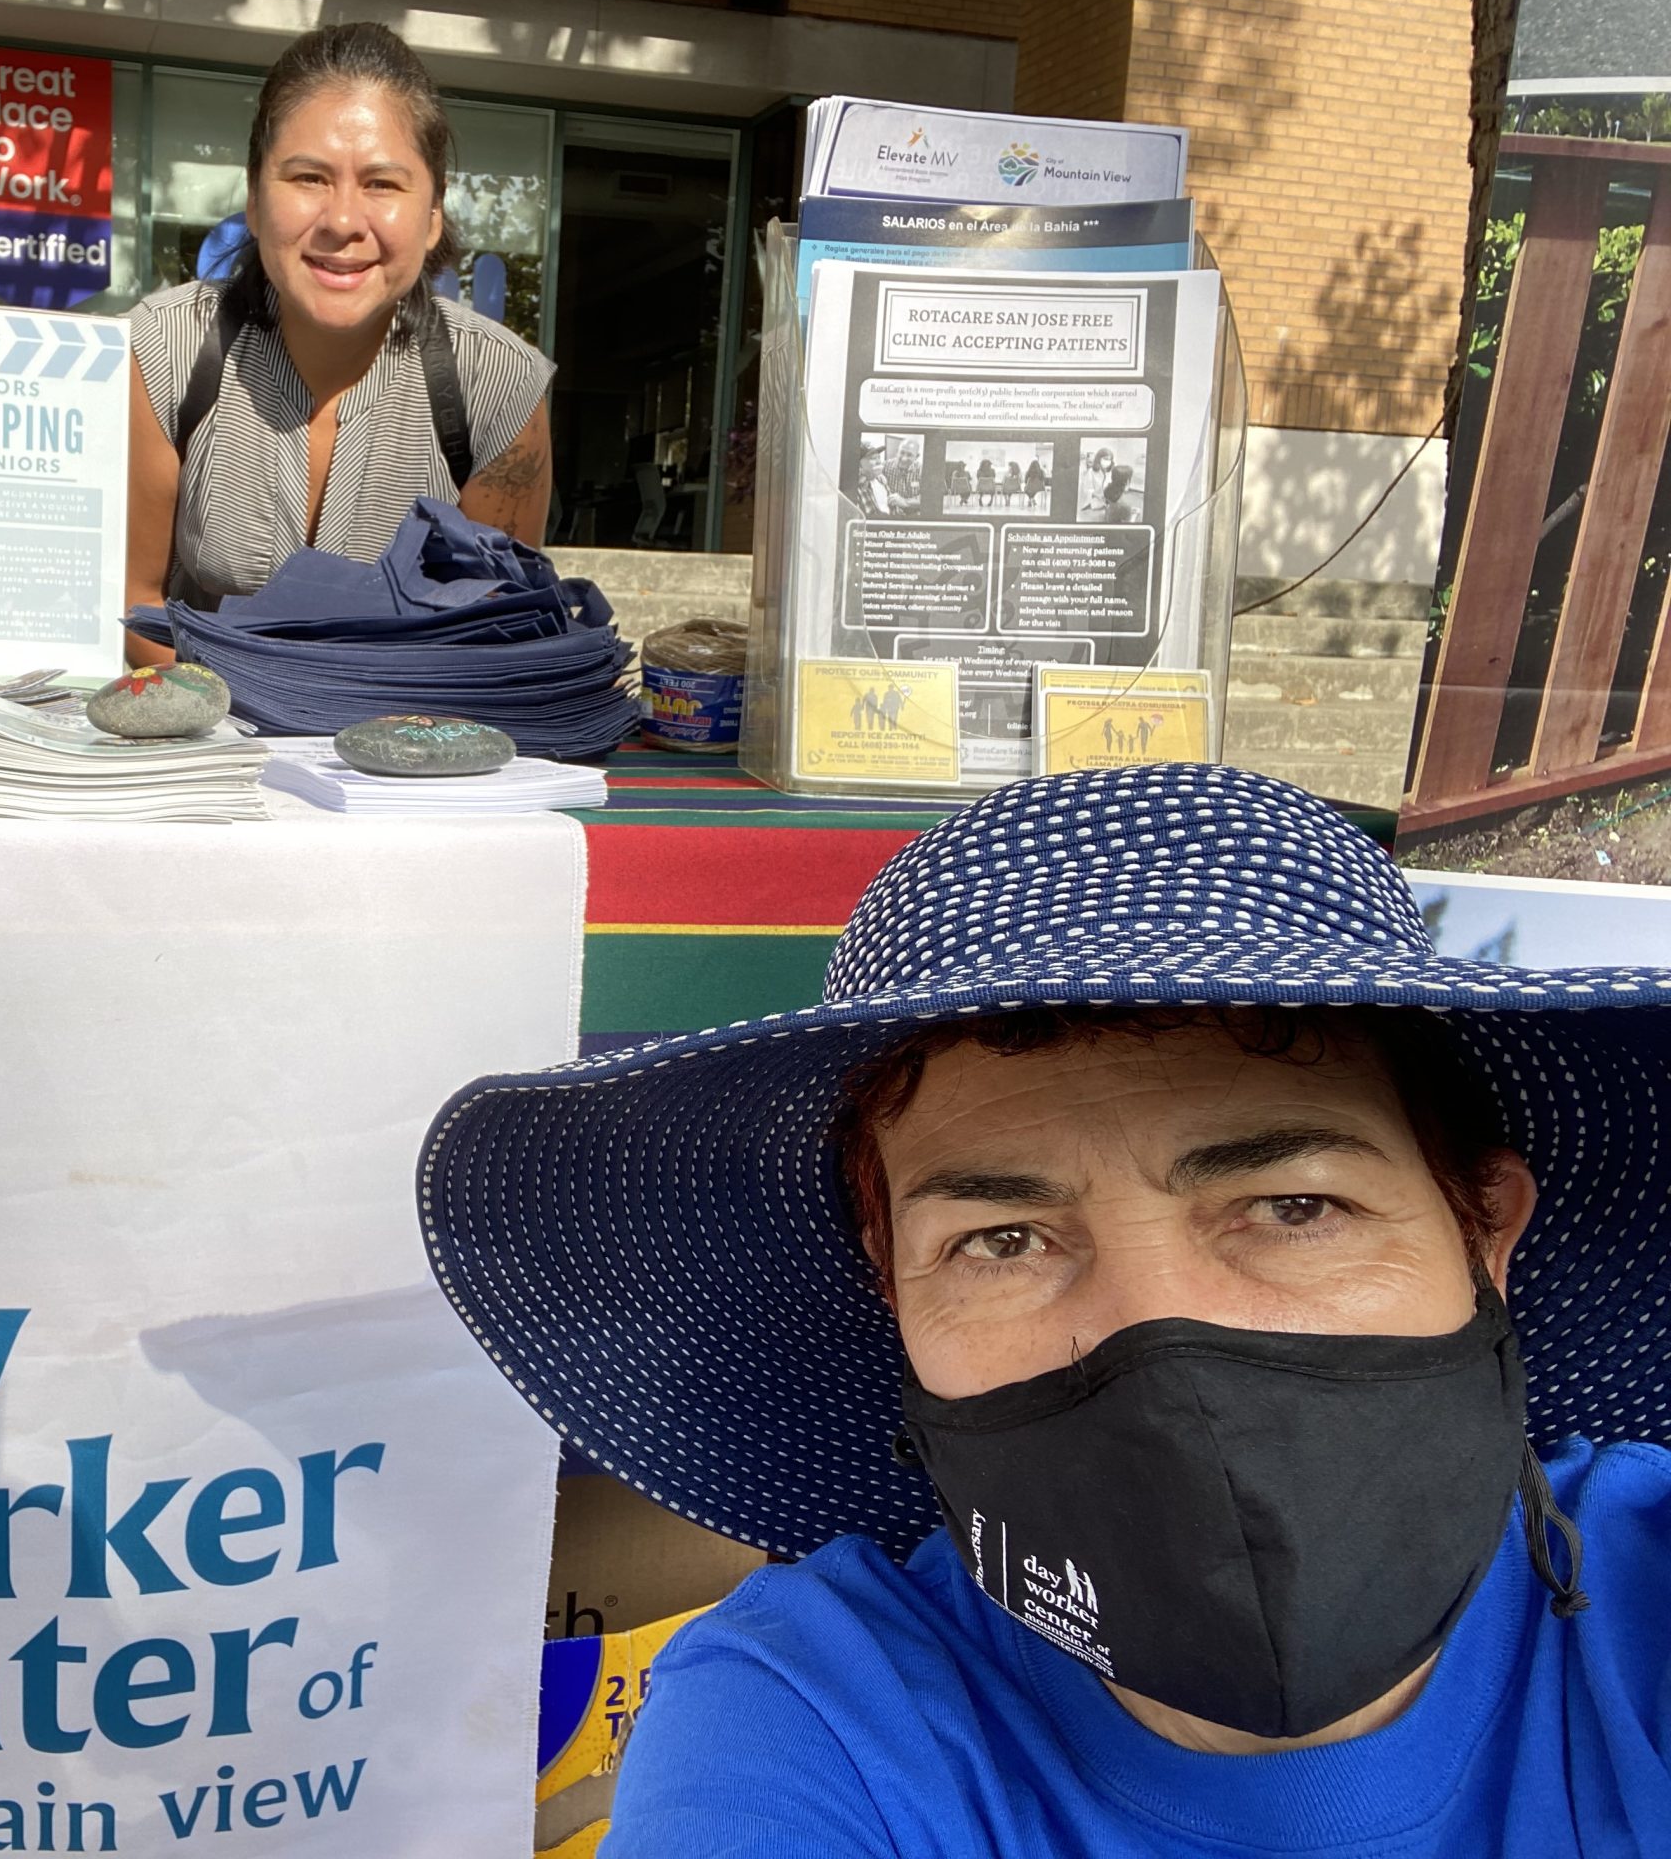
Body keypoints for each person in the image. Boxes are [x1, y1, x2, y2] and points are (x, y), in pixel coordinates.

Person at [419, 764, 1671, 1856]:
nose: (1162, 1334)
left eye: (1292, 1207)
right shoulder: (807, 1717)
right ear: (894, 1295)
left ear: (1481, 1231)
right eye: (1001, 1239)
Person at [125, 24, 553, 655]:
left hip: (404, 732)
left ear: (433, 213)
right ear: (252, 198)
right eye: (308, 178)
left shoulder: (499, 385)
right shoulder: (164, 349)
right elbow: (135, 602)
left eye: (383, 183)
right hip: (202, 728)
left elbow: (491, 638)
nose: (344, 222)